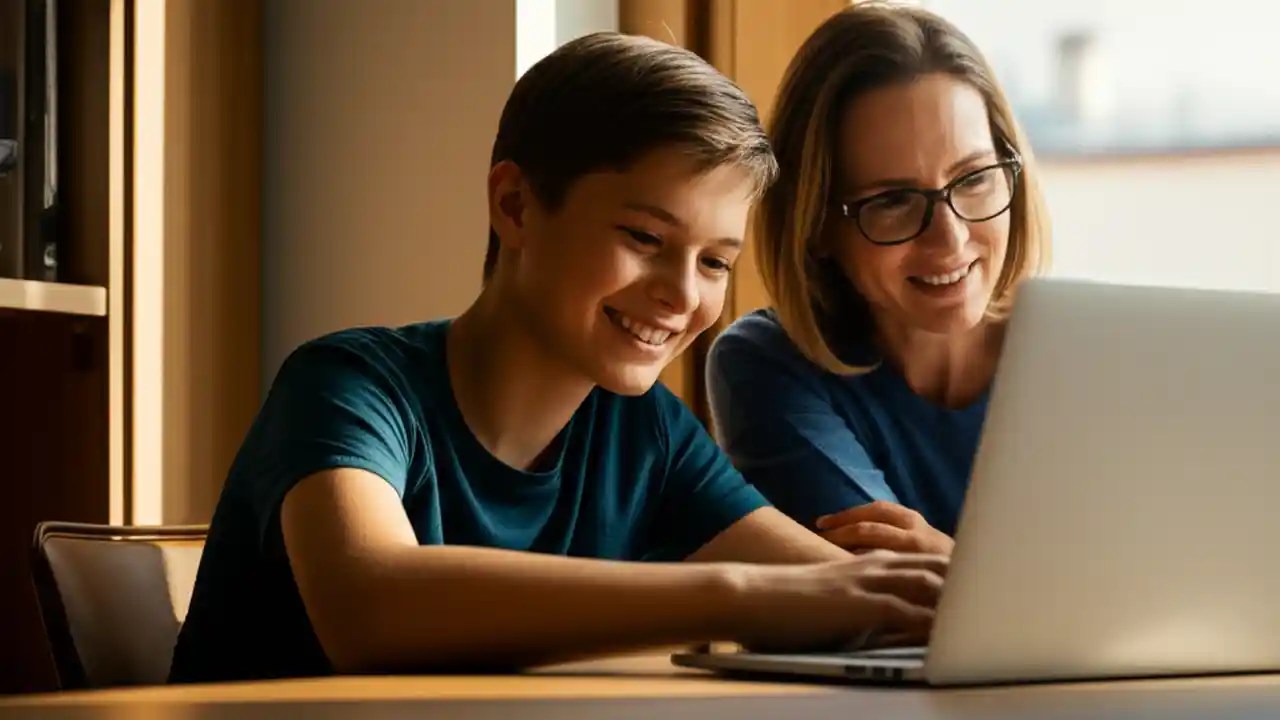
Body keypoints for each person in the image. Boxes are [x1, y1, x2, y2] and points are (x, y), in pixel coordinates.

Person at [168, 31, 947, 684]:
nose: (682, 294)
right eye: (644, 238)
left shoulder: (648, 435)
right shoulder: (349, 387)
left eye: (714, 262)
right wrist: (739, 596)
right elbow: (368, 607)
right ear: (515, 206)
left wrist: (948, 582)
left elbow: (847, 597)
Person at [706, 3, 1051, 557]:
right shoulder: (769, 364)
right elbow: (876, 585)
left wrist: (947, 559)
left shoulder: (1084, 350)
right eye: (892, 201)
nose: (950, 238)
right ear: (815, 222)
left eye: (973, 179)